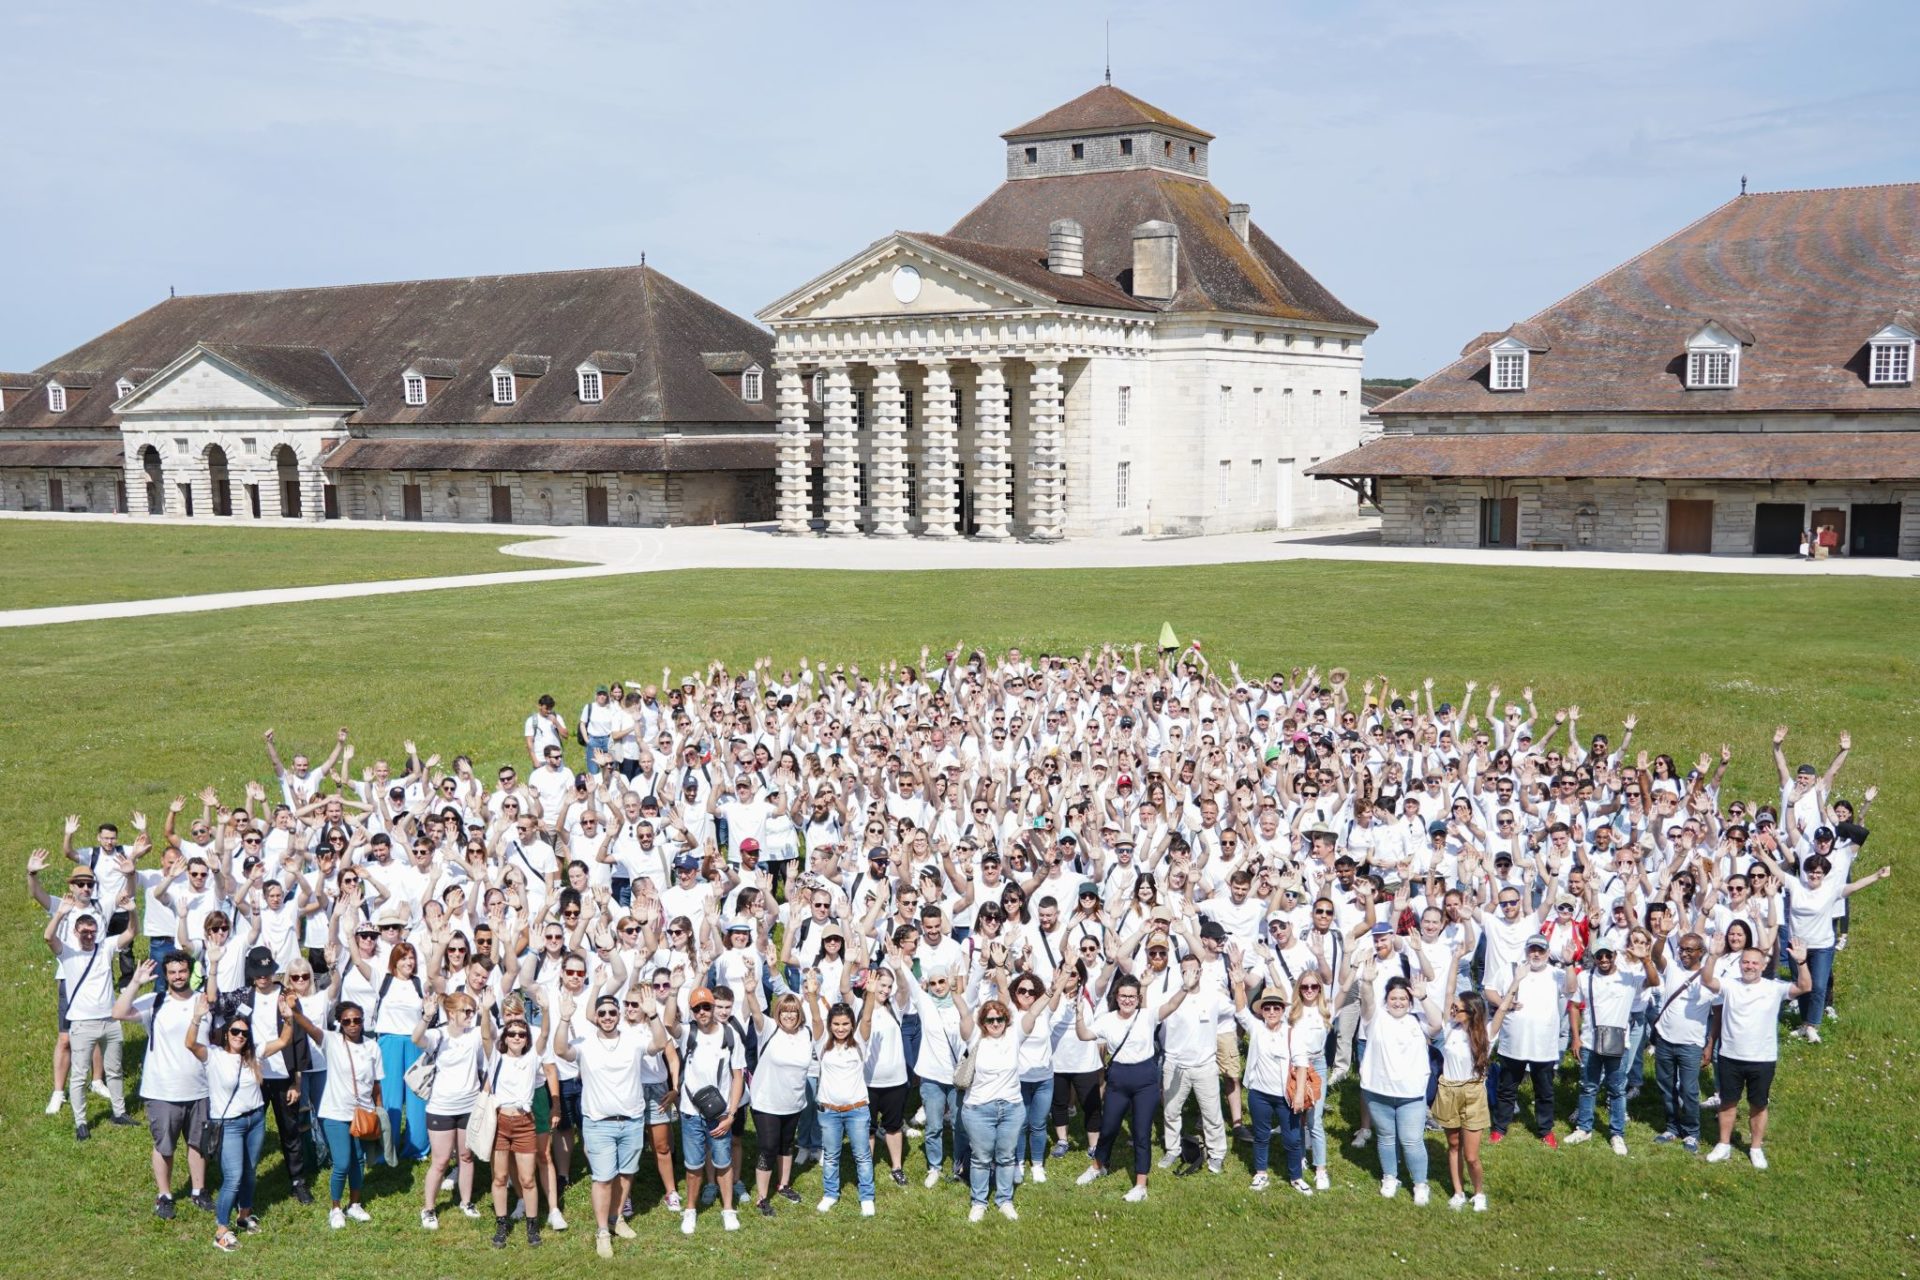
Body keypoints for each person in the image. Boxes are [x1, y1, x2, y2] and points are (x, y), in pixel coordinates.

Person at [553, 981, 663, 1259]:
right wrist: (564, 1019)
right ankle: (602, 1231)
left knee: (626, 1174)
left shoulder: (633, 1039)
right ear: (596, 1017)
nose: (607, 1018)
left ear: (619, 1014)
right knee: (603, 1178)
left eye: (612, 1013)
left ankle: (617, 1218)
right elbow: (560, 1050)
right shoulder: (586, 1043)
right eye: (601, 1013)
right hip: (599, 1122)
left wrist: (653, 1015)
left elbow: (660, 1043)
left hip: (632, 1120)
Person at [184, 990, 296, 1251]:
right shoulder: (214, 1056)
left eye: (244, 1033)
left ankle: (244, 1214)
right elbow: (190, 1044)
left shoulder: (254, 1054)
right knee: (233, 1177)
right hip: (230, 1124)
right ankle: (221, 1229)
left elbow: (282, 1042)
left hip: (256, 1118)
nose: (239, 1037)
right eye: (235, 1032)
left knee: (250, 1172)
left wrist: (289, 1019)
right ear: (226, 1033)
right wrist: (197, 1018)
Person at [1074, 969, 1190, 1203]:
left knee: (1141, 1132)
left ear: (1138, 998)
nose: (1127, 1000)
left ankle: (1140, 1185)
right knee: (1108, 1127)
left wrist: (1185, 988)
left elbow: (1171, 1006)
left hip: (1144, 1078)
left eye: (1132, 996)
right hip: (1118, 1078)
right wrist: (1078, 1016)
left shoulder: (1147, 1016)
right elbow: (1085, 1035)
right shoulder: (1107, 1020)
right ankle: (1098, 1166)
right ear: (1116, 997)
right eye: (1123, 996)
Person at [112, 953, 213, 1217]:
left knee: (198, 1144)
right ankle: (165, 1194)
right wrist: (135, 982)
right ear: (166, 975)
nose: (178, 976)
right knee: (164, 1145)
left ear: (189, 972)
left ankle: (198, 1191)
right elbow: (118, 1012)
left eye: (182, 971)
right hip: (162, 1090)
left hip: (201, 1088)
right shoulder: (155, 1002)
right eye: (172, 972)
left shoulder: (203, 1002)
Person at [1700, 940, 1813, 1169]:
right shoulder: (1730, 985)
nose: (1749, 966)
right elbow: (1707, 980)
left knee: (1758, 1105)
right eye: (1745, 962)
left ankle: (1756, 1148)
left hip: (1762, 1058)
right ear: (1740, 965)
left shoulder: (1774, 988)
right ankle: (1723, 1145)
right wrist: (1712, 955)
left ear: (1763, 966)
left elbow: (1804, 987)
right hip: (1730, 1056)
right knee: (1727, 1102)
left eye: (1754, 963)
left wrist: (1801, 962)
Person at [45, 884, 138, 1139]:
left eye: (92, 931)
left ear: (98, 931)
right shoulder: (68, 952)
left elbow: (132, 932)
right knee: (78, 1075)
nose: (88, 935)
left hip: (110, 1020)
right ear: (76, 931)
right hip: (82, 1024)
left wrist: (131, 911)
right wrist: (60, 914)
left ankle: (119, 1113)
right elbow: (48, 938)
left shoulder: (105, 947)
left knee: (115, 1070)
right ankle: (81, 1122)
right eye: (84, 931)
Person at [284, 996, 380, 1228]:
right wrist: (295, 1012)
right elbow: (311, 1029)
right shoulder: (332, 1041)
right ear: (339, 1023)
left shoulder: (372, 1046)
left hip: (363, 1113)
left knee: (358, 1159)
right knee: (342, 1162)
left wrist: (379, 1110)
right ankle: (336, 1208)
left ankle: (354, 1204)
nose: (353, 1024)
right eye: (347, 1021)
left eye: (357, 1020)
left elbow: (377, 1083)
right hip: (336, 1112)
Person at [1566, 934, 1661, 1153]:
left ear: (1615, 955)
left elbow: (1654, 982)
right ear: (1595, 957)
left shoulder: (1629, 977)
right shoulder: (1585, 977)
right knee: (1588, 1086)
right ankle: (1584, 1128)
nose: (1604, 959)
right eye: (1600, 955)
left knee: (1617, 1090)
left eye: (1608, 954)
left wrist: (1646, 959)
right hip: (1590, 1041)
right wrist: (1576, 1038)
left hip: (1619, 1043)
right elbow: (1573, 1006)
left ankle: (1617, 1133)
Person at [1357, 961, 1441, 1204]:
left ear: (1410, 1001)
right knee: (1386, 1137)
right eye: (1393, 998)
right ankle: (1390, 1177)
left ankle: (1420, 1184)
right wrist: (1367, 982)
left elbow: (1437, 1024)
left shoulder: (1417, 1021)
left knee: (1412, 1140)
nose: (1398, 1002)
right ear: (1386, 1000)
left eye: (1403, 998)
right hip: (1378, 1091)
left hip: (1411, 1095)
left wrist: (1423, 996)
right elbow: (1367, 1002)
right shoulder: (1376, 1018)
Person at [1433, 945, 1509, 1211]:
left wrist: (1517, 981)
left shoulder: (1486, 1033)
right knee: (1452, 1145)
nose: (1453, 1011)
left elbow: (1501, 1010)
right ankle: (1457, 1191)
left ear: (1471, 1013)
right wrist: (1455, 959)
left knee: (1472, 1154)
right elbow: (1448, 990)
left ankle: (1478, 1193)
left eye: (1458, 1009)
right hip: (1448, 1091)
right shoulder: (1449, 1028)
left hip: (1473, 1093)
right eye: (1453, 1008)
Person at [413, 991, 493, 1229]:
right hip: (441, 1107)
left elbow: (489, 1036)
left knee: (466, 1157)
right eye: (466, 1011)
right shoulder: (438, 1035)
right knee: (440, 1161)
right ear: (451, 1014)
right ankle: (428, 1208)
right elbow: (416, 1039)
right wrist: (427, 1017)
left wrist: (485, 1011)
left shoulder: (475, 1034)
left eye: (472, 1010)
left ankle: (466, 1202)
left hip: (469, 1106)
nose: (471, 1015)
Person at [674, 985, 745, 1234]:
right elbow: (668, 1025)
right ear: (692, 1012)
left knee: (723, 1162)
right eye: (697, 1008)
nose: (703, 1012)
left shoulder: (729, 1034)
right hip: (691, 1112)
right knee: (693, 1166)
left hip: (720, 1114)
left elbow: (738, 1076)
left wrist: (732, 1114)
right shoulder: (687, 1033)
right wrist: (674, 990)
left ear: (714, 1007)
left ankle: (728, 1210)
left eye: (707, 1006)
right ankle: (690, 1210)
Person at [806, 974, 877, 1217]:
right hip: (829, 1112)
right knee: (832, 1156)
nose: (840, 1028)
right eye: (836, 1024)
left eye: (845, 1024)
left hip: (857, 1110)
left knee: (862, 1156)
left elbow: (867, 1017)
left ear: (851, 1025)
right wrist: (813, 995)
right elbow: (815, 1017)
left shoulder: (859, 1042)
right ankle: (830, 1193)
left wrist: (870, 994)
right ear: (830, 1025)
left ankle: (867, 1197)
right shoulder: (822, 1042)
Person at [485, 992, 551, 1248]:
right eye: (511, 1034)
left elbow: (544, 1035)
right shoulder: (496, 1058)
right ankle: (502, 1225)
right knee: (500, 1177)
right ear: (505, 1037)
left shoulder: (532, 1057)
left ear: (526, 1039)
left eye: (521, 1035)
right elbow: (484, 1036)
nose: (516, 1038)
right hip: (501, 1122)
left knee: (527, 1179)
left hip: (524, 1123)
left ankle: (532, 1227)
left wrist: (545, 1010)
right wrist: (485, 1010)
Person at [1490, 936, 1563, 1146]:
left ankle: (1545, 1130)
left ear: (1548, 953)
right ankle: (1499, 1128)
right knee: (1506, 1090)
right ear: (1526, 951)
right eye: (1532, 949)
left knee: (1545, 1091)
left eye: (1541, 950)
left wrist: (1569, 963)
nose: (1536, 954)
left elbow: (1572, 988)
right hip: (1513, 1044)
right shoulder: (1511, 970)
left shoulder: (1556, 974)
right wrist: (1506, 1002)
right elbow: (1489, 991)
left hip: (1544, 1045)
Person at [1649, 931, 1715, 1153]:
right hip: (1665, 1039)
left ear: (1701, 952)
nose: (1684, 953)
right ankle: (1671, 1127)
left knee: (1689, 1090)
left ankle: (1692, 1133)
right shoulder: (1673, 969)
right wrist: (1661, 936)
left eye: (1689, 950)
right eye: (1681, 948)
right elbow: (1656, 956)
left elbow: (1718, 1012)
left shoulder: (1708, 978)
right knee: (1666, 1087)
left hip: (1691, 1044)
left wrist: (1710, 1044)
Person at [748, 992, 812, 1215]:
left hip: (793, 1103)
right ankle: (762, 1198)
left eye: (793, 1011)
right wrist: (749, 991)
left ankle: (783, 1185)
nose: (789, 1015)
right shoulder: (768, 1028)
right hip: (766, 1102)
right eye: (785, 1010)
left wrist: (812, 995)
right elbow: (756, 1011)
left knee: (787, 1144)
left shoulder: (806, 1033)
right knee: (768, 1147)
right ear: (778, 1012)